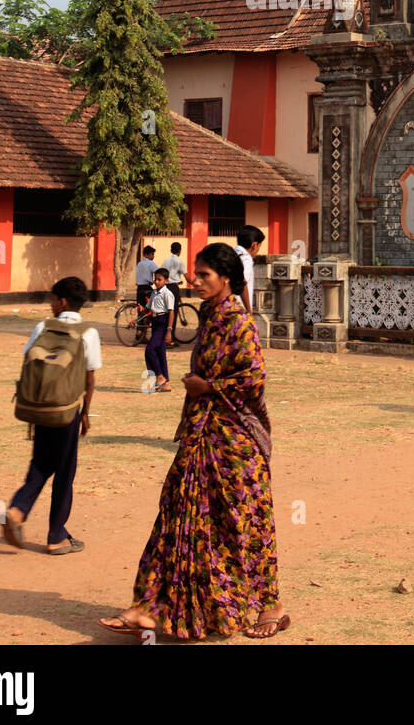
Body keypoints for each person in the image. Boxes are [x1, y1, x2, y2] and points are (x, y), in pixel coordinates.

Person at [99, 242, 288, 640]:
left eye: (204, 275)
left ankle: (270, 604)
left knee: (242, 523)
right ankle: (153, 606)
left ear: (226, 279)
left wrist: (208, 386)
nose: (195, 280)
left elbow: (254, 380)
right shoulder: (210, 314)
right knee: (178, 515)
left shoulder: (239, 321)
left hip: (235, 442)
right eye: (195, 274)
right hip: (201, 435)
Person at [2, 277, 101, 554]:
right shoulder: (88, 333)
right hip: (67, 411)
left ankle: (17, 511)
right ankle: (56, 535)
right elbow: (90, 378)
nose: (50, 303)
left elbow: (28, 359)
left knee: (41, 462)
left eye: (52, 299)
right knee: (64, 472)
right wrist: (85, 413)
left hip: (39, 406)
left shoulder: (42, 326)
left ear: (63, 302)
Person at [145, 267, 174, 393]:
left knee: (149, 349)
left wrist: (169, 330)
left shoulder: (167, 294)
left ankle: (159, 376)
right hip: (155, 322)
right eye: (155, 279)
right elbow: (149, 308)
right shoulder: (154, 292)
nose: (156, 282)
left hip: (163, 323)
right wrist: (143, 310)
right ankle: (166, 383)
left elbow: (171, 312)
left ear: (166, 281)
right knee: (160, 353)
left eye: (159, 279)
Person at [234, 224, 264, 315]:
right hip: (239, 309)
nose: (258, 249)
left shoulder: (233, 254)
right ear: (254, 245)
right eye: (259, 246)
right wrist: (248, 311)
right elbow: (242, 283)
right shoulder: (246, 259)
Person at [160, 241, 186, 331]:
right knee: (173, 311)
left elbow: (161, 273)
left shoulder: (165, 261)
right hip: (174, 288)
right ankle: (171, 336)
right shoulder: (179, 262)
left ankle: (163, 333)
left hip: (165, 287)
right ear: (179, 251)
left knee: (164, 310)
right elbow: (186, 276)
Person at [135, 245, 159, 315]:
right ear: (146, 254)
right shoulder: (150, 263)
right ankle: (152, 319)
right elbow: (159, 272)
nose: (153, 256)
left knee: (141, 307)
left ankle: (140, 323)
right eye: (152, 254)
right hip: (147, 288)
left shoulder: (139, 263)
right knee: (155, 302)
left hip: (139, 288)